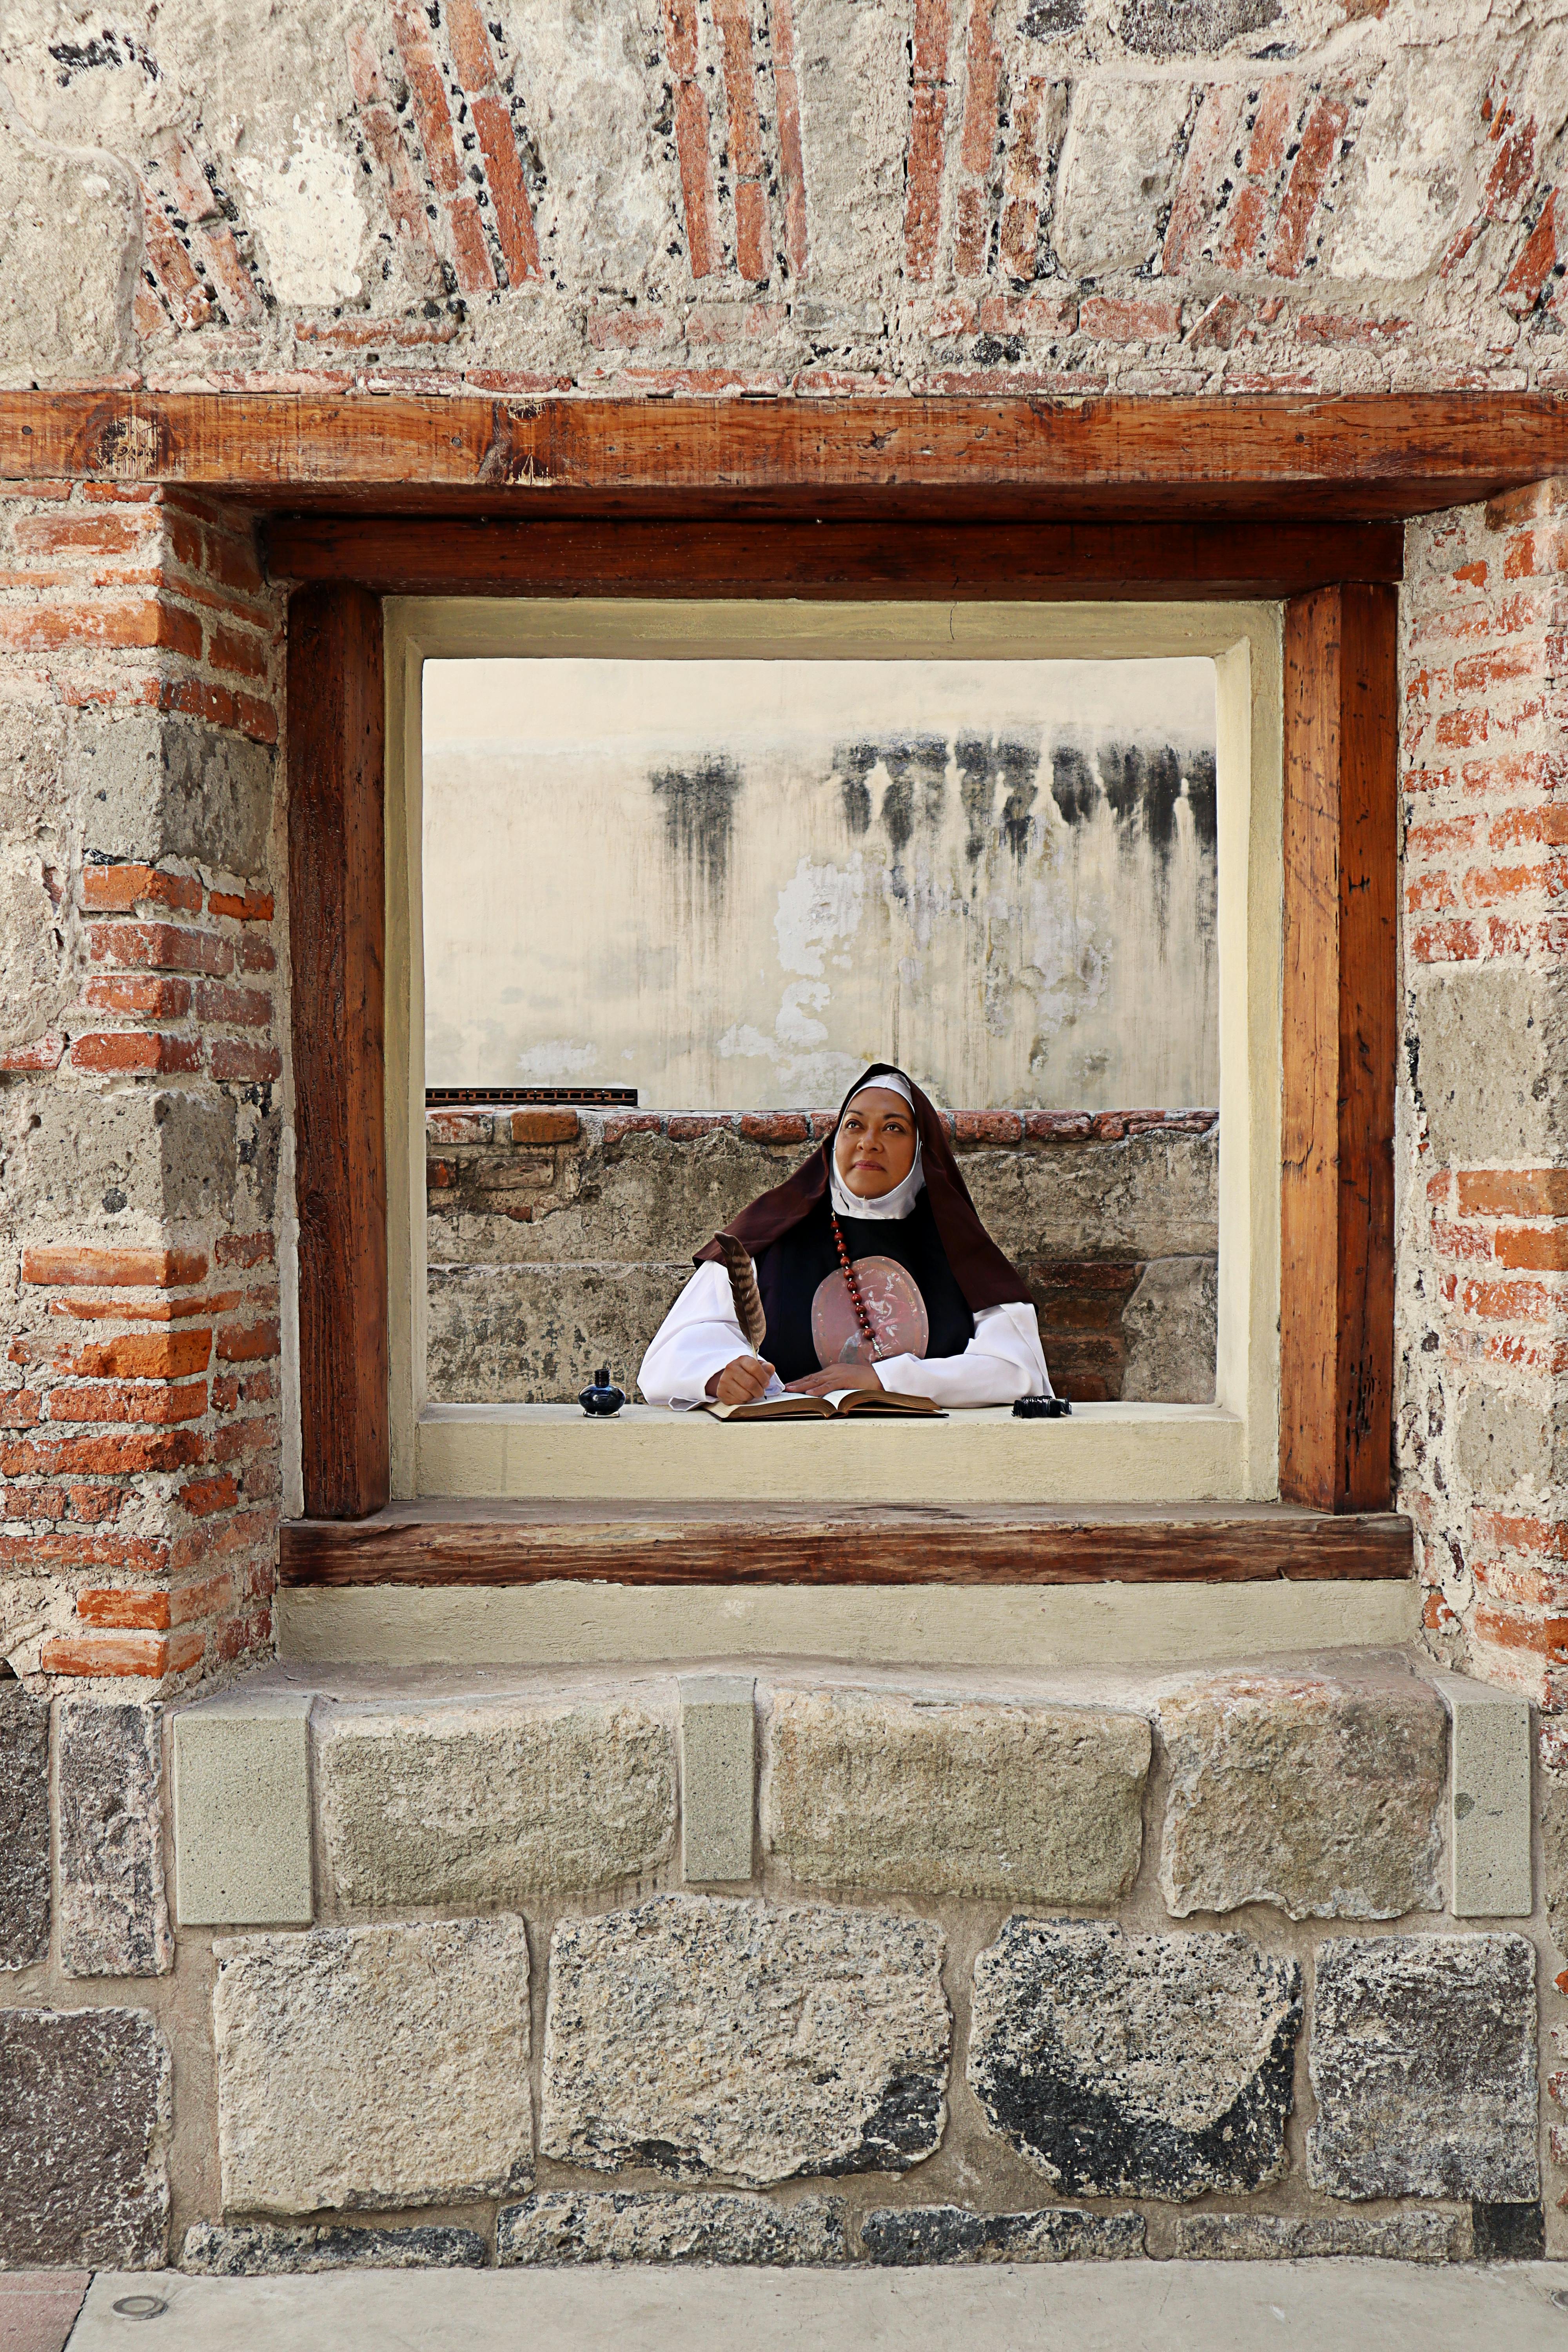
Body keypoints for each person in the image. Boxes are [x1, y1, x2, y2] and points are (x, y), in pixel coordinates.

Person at [637, 1063, 1052, 1409]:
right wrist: (720, 1376)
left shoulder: (959, 1246)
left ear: (920, 1150)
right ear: (835, 1142)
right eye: (854, 1126)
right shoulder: (768, 1236)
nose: (869, 1144)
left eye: (893, 1129)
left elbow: (1018, 1371)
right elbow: (672, 1354)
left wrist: (883, 1377)